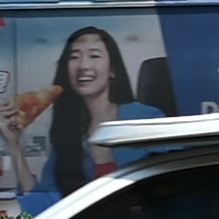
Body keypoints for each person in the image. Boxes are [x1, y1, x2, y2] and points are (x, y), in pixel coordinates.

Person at [22, 21, 137, 195]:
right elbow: (44, 201)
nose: (83, 66)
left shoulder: (142, 118)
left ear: (112, 69)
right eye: (74, 57)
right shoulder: (67, 133)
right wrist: (13, 144)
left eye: (94, 56)